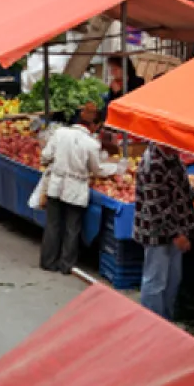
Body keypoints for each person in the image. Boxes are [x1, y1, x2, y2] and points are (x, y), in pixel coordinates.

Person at [39, 112, 123, 274]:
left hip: (56, 184)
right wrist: (116, 168)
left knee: (53, 225)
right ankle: (66, 265)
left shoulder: (60, 133)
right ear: (93, 126)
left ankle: (48, 261)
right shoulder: (91, 143)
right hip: (76, 188)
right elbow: (96, 169)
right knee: (72, 228)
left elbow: (44, 157)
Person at [134, 142, 194, 320]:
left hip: (175, 228)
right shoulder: (153, 164)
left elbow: (180, 188)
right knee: (155, 282)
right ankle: (152, 324)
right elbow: (157, 207)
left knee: (172, 280)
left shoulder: (173, 158)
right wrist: (176, 234)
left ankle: (166, 319)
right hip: (158, 233)